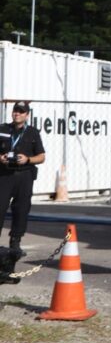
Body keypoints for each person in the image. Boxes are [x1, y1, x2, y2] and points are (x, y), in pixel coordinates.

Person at [0, 101, 45, 257]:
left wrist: (27, 159)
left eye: (21, 111)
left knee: (21, 209)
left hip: (24, 175)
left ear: (27, 115)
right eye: (15, 111)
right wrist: (1, 158)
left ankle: (15, 242)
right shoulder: (3, 129)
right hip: (4, 175)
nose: (17, 113)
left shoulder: (32, 132)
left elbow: (41, 156)